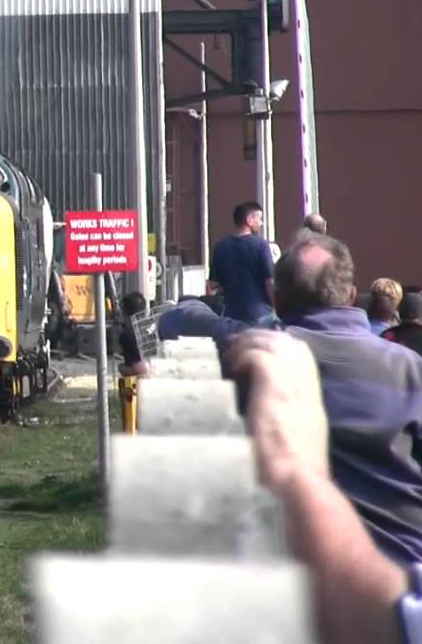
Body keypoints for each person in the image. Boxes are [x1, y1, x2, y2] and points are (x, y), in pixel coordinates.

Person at [161, 233, 422, 566]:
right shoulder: (409, 369)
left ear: (278, 301)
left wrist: (196, 306)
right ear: (352, 296)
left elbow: (173, 322)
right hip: (399, 571)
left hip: (292, 574)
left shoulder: (256, 351)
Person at [225, 330, 417, 644]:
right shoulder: (406, 364)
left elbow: (381, 620)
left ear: (276, 295)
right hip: (398, 558)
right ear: (351, 294)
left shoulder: (270, 353)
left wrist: (291, 468)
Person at [207, 201, 276, 325]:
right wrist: (276, 305)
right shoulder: (261, 245)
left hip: (231, 315)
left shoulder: (220, 247)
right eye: (259, 219)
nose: (261, 223)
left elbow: (213, 285)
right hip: (260, 314)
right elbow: (269, 281)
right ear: (249, 220)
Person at [117, 291, 150, 377]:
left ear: (123, 312)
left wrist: (121, 368)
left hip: (136, 384)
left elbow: (140, 369)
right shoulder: (148, 331)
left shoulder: (127, 336)